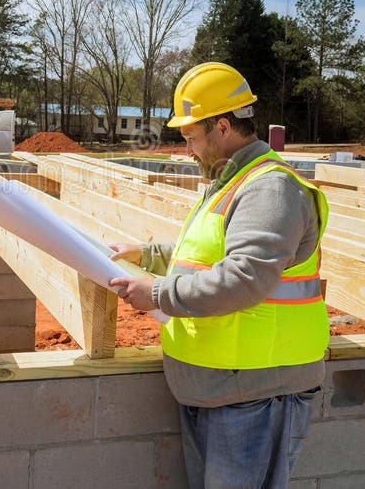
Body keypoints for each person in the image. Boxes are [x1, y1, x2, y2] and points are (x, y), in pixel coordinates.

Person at [108, 62, 329, 489]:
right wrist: (149, 255)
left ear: (223, 127)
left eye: (191, 137)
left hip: (257, 394)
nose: (188, 149)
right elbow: (209, 257)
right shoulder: (232, 181)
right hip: (221, 388)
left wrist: (157, 293)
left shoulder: (270, 188)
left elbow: (245, 277)